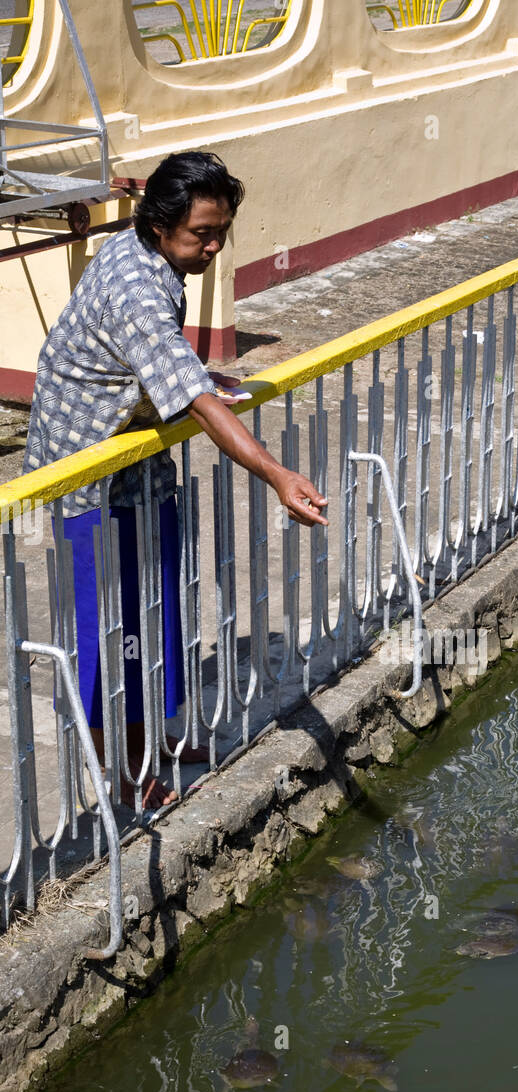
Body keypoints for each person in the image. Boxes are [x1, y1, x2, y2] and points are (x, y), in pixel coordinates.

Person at [22, 151, 327, 810]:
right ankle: (122, 781)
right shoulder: (136, 286)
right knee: (108, 628)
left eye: (222, 232)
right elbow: (190, 396)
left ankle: (149, 746)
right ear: (159, 225)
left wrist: (187, 380)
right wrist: (276, 474)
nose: (214, 248)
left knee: (153, 609)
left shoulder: (153, 258)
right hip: (87, 479)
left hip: (132, 459)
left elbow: (162, 365)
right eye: (202, 235)